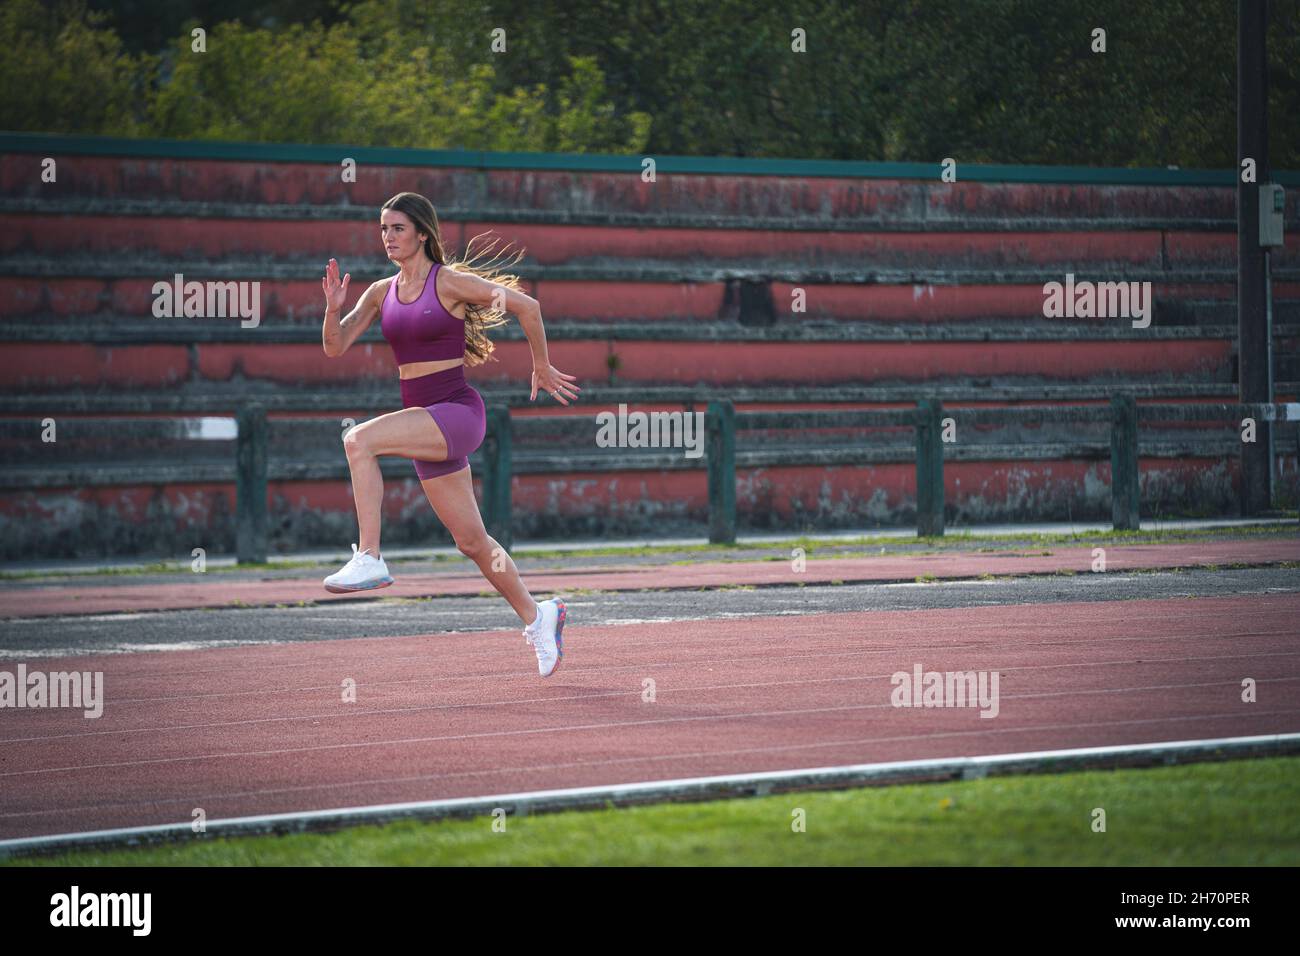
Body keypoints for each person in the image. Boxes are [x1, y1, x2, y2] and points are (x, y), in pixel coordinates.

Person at [318, 192, 579, 676]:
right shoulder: (380, 292)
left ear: (421, 232)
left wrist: (541, 364)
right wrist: (334, 308)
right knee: (472, 542)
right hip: (423, 423)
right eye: (383, 229)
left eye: (397, 228)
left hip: (456, 413)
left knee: (358, 440)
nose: (388, 238)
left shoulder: (451, 283)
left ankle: (370, 555)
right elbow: (334, 348)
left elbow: (528, 306)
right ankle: (540, 616)